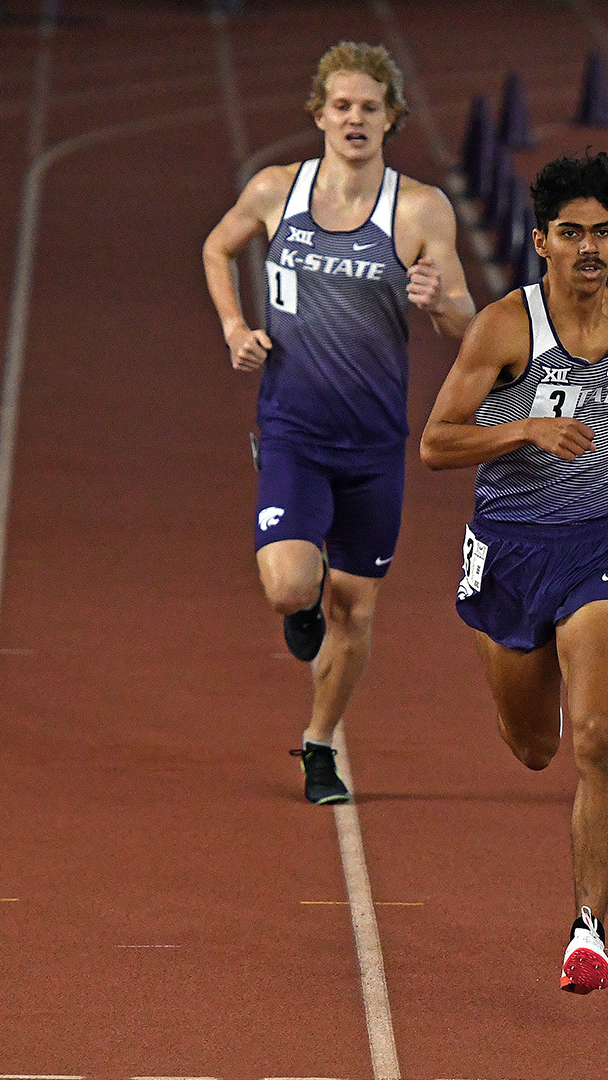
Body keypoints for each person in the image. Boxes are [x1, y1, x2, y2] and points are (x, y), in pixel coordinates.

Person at [420, 152, 608, 993]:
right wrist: (524, 430)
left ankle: (589, 932)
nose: (588, 248)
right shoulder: (506, 326)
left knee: (600, 739)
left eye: (602, 232)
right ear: (541, 240)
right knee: (536, 747)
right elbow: (435, 444)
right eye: (570, 233)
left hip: (601, 548)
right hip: (510, 549)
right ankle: (541, 679)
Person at [202, 42, 475, 804]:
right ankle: (302, 591)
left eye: (370, 107)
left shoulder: (419, 209)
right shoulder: (275, 191)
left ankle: (319, 745)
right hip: (293, 429)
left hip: (375, 445)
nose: (355, 118)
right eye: (342, 105)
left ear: (392, 118)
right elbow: (217, 247)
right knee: (292, 588)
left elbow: (468, 321)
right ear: (320, 113)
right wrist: (233, 328)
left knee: (354, 612)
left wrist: (438, 302)